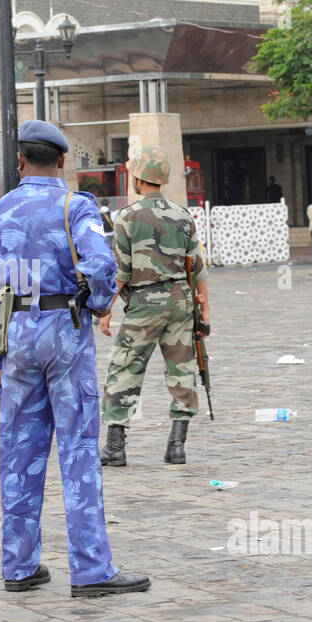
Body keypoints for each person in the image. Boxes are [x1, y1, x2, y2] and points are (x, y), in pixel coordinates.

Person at [0, 119, 150, 598]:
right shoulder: (77, 206)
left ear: (20, 160)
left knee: (18, 452)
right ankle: (91, 569)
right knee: (77, 450)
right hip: (65, 333)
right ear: (64, 161)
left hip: (16, 336)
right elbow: (101, 264)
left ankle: (19, 566)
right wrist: (96, 305)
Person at [97, 148, 210, 466]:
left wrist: (105, 309)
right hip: (180, 301)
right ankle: (177, 447)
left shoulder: (127, 216)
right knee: (182, 370)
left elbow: (120, 270)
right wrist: (206, 311)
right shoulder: (182, 214)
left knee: (124, 369)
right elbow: (196, 266)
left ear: (139, 178)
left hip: (144, 304)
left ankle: (116, 448)